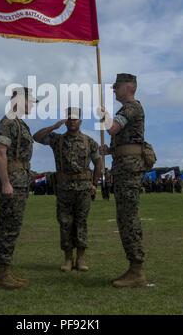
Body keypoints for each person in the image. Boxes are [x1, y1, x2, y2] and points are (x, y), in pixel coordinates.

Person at [33, 107, 102, 272]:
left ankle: (81, 258)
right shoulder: (57, 140)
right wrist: (53, 127)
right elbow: (36, 137)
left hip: (84, 188)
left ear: (80, 121)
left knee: (81, 222)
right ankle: (68, 259)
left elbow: (98, 163)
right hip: (64, 188)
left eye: (75, 119)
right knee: (65, 223)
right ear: (66, 120)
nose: (72, 121)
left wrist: (94, 183)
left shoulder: (89, 141)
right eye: (69, 119)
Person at [99, 73, 148, 287]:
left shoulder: (131, 107)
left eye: (116, 86)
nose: (113, 90)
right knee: (124, 218)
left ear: (129, 87)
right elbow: (126, 140)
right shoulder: (127, 108)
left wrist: (103, 116)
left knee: (128, 218)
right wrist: (110, 150)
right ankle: (134, 268)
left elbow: (112, 128)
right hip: (124, 168)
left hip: (128, 171)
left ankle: (137, 271)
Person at [0, 86, 38, 289]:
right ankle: (3, 274)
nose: (32, 105)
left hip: (20, 181)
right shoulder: (8, 123)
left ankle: (7, 270)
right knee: (8, 227)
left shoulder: (20, 124)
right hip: (12, 182)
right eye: (30, 101)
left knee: (14, 226)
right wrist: (5, 183)